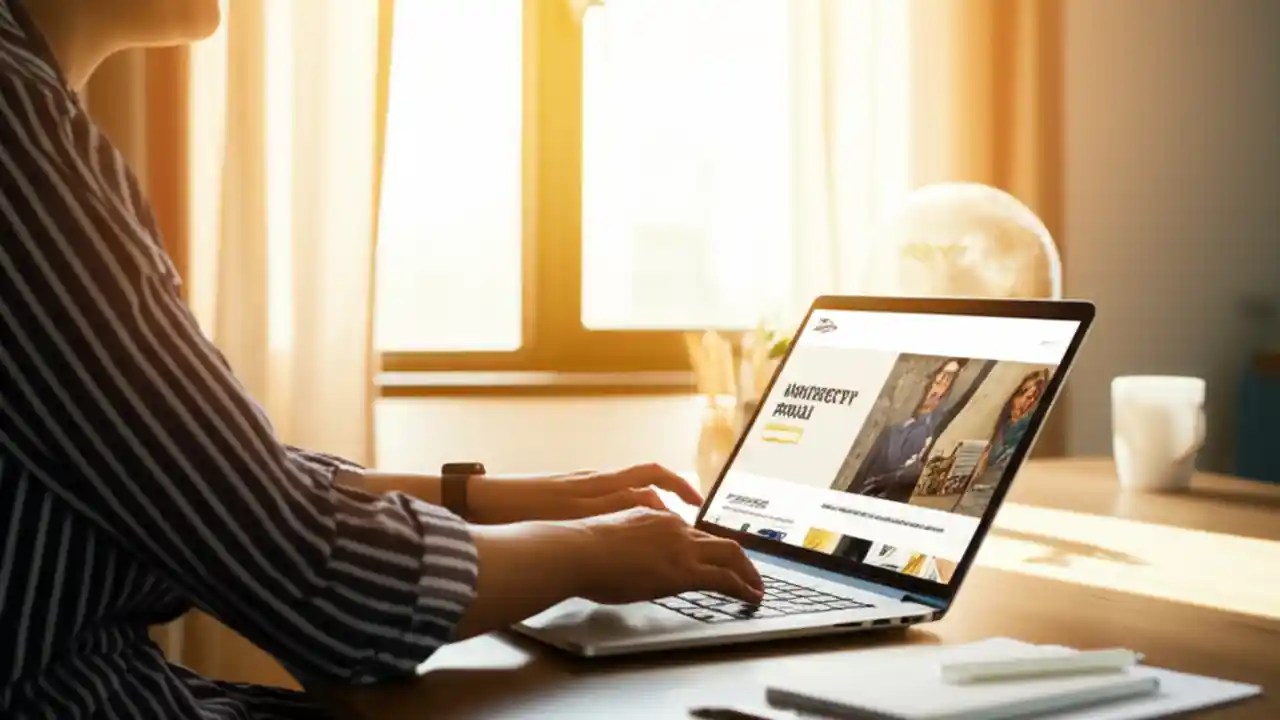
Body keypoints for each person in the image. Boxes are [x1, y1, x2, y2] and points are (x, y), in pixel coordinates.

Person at [0, 1, 762, 717]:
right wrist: (589, 552)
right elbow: (312, 575)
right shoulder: (20, 137)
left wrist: (491, 499)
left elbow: (211, 480)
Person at [846, 358, 967, 503]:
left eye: (947, 377)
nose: (938, 380)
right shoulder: (894, 429)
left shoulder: (933, 430)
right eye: (939, 374)